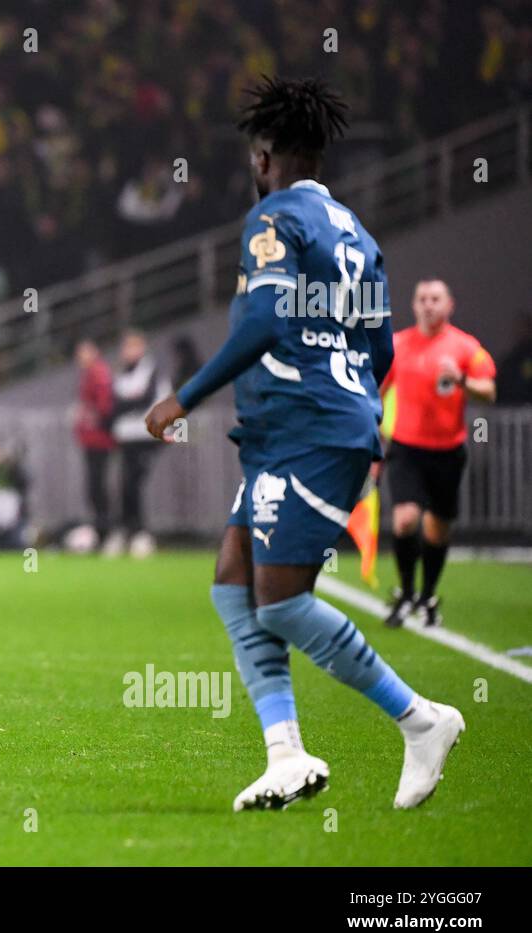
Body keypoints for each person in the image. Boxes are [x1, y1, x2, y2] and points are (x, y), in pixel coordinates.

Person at [145, 77, 464, 812]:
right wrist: (347, 392)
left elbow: (261, 325)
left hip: (307, 431)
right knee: (233, 583)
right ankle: (285, 755)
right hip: (307, 428)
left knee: (282, 603)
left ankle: (421, 719)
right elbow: (381, 351)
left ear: (262, 158)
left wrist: (181, 397)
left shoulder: (273, 219)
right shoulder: (359, 235)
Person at [379, 280, 496, 627]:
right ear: (414, 305)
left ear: (450, 305)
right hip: (406, 447)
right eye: (422, 299)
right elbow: (377, 389)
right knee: (405, 519)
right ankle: (406, 592)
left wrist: (462, 380)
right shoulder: (397, 345)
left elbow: (488, 391)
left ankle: (428, 596)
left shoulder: (466, 347)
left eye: (435, 299)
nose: (428, 305)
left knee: (437, 531)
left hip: (447, 450)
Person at [109, 331, 171, 557]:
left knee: (137, 484)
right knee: (125, 485)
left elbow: (144, 400)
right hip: (127, 438)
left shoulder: (151, 371)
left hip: (147, 437)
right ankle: (127, 530)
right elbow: (115, 402)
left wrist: (124, 406)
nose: (128, 352)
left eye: (133, 347)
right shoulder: (121, 373)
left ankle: (142, 533)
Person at [72, 340, 115, 548]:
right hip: (92, 438)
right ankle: (101, 531)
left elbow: (104, 406)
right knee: (95, 486)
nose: (81, 357)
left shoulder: (98, 373)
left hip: (99, 439)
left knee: (98, 486)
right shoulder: (92, 374)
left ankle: (105, 532)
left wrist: (91, 417)